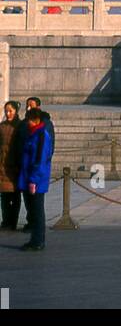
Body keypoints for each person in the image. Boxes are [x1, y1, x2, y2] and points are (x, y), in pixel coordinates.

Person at [17, 104, 54, 251]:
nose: (28, 123)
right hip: (28, 176)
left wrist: (33, 180)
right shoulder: (32, 133)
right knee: (32, 209)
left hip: (36, 179)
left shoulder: (41, 135)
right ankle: (35, 238)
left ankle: (38, 240)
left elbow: (39, 160)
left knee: (37, 210)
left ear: (37, 120)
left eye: (31, 120)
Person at [0, 102, 23, 231]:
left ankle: (12, 221)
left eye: (10, 111)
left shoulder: (20, 126)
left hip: (15, 166)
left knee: (15, 195)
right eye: (6, 111)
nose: (8, 113)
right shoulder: (2, 127)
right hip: (2, 165)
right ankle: (5, 220)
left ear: (16, 111)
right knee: (4, 196)